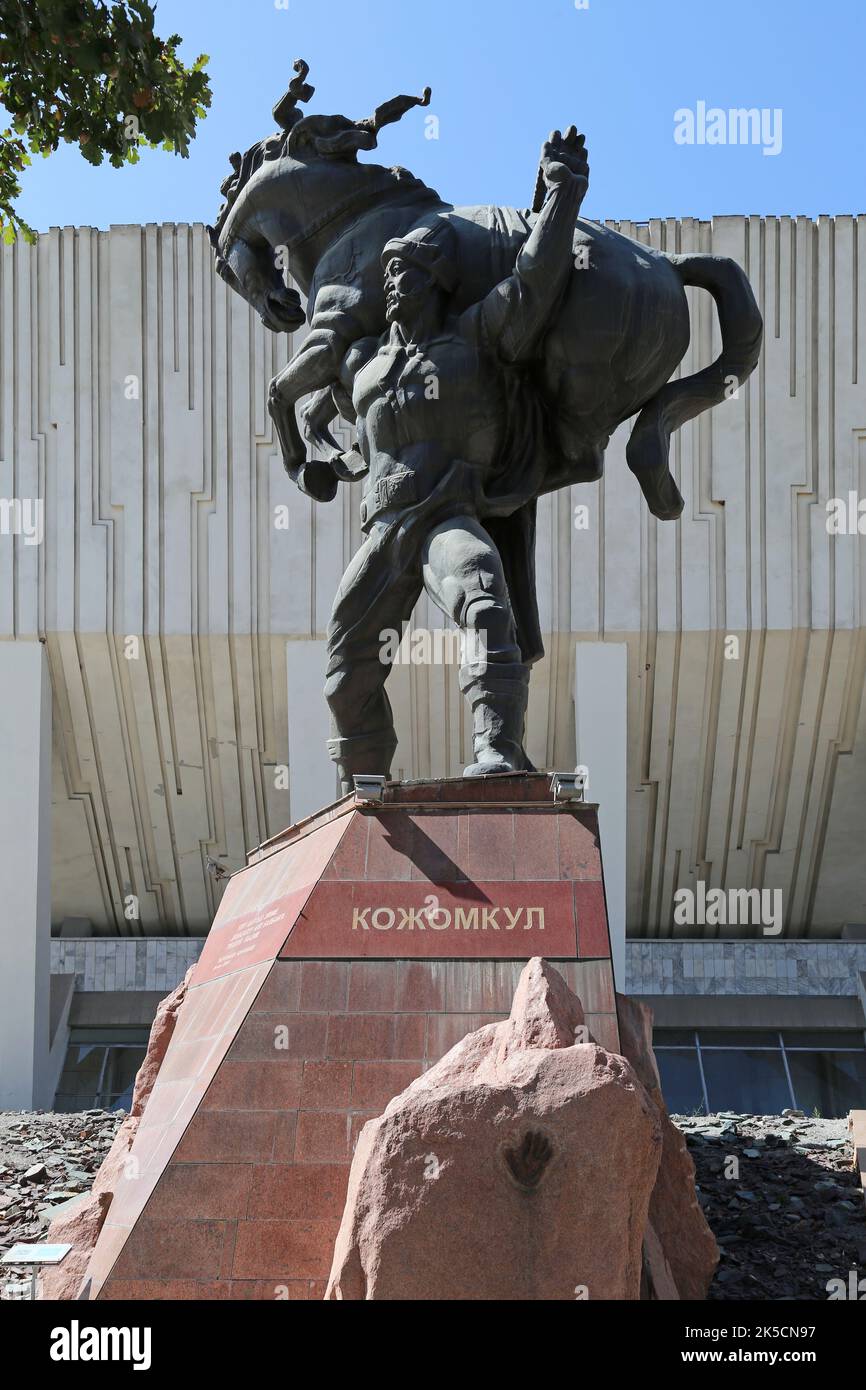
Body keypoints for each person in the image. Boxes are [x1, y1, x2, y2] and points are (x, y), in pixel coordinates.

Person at [323, 128, 589, 791]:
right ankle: (365, 789)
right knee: (345, 664)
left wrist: (560, 192)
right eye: (387, 273)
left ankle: (497, 749)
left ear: (439, 282)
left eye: (406, 272)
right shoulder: (364, 367)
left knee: (484, 599)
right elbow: (311, 382)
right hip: (384, 533)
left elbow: (532, 281)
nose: (392, 284)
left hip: (446, 516)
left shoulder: (473, 337)